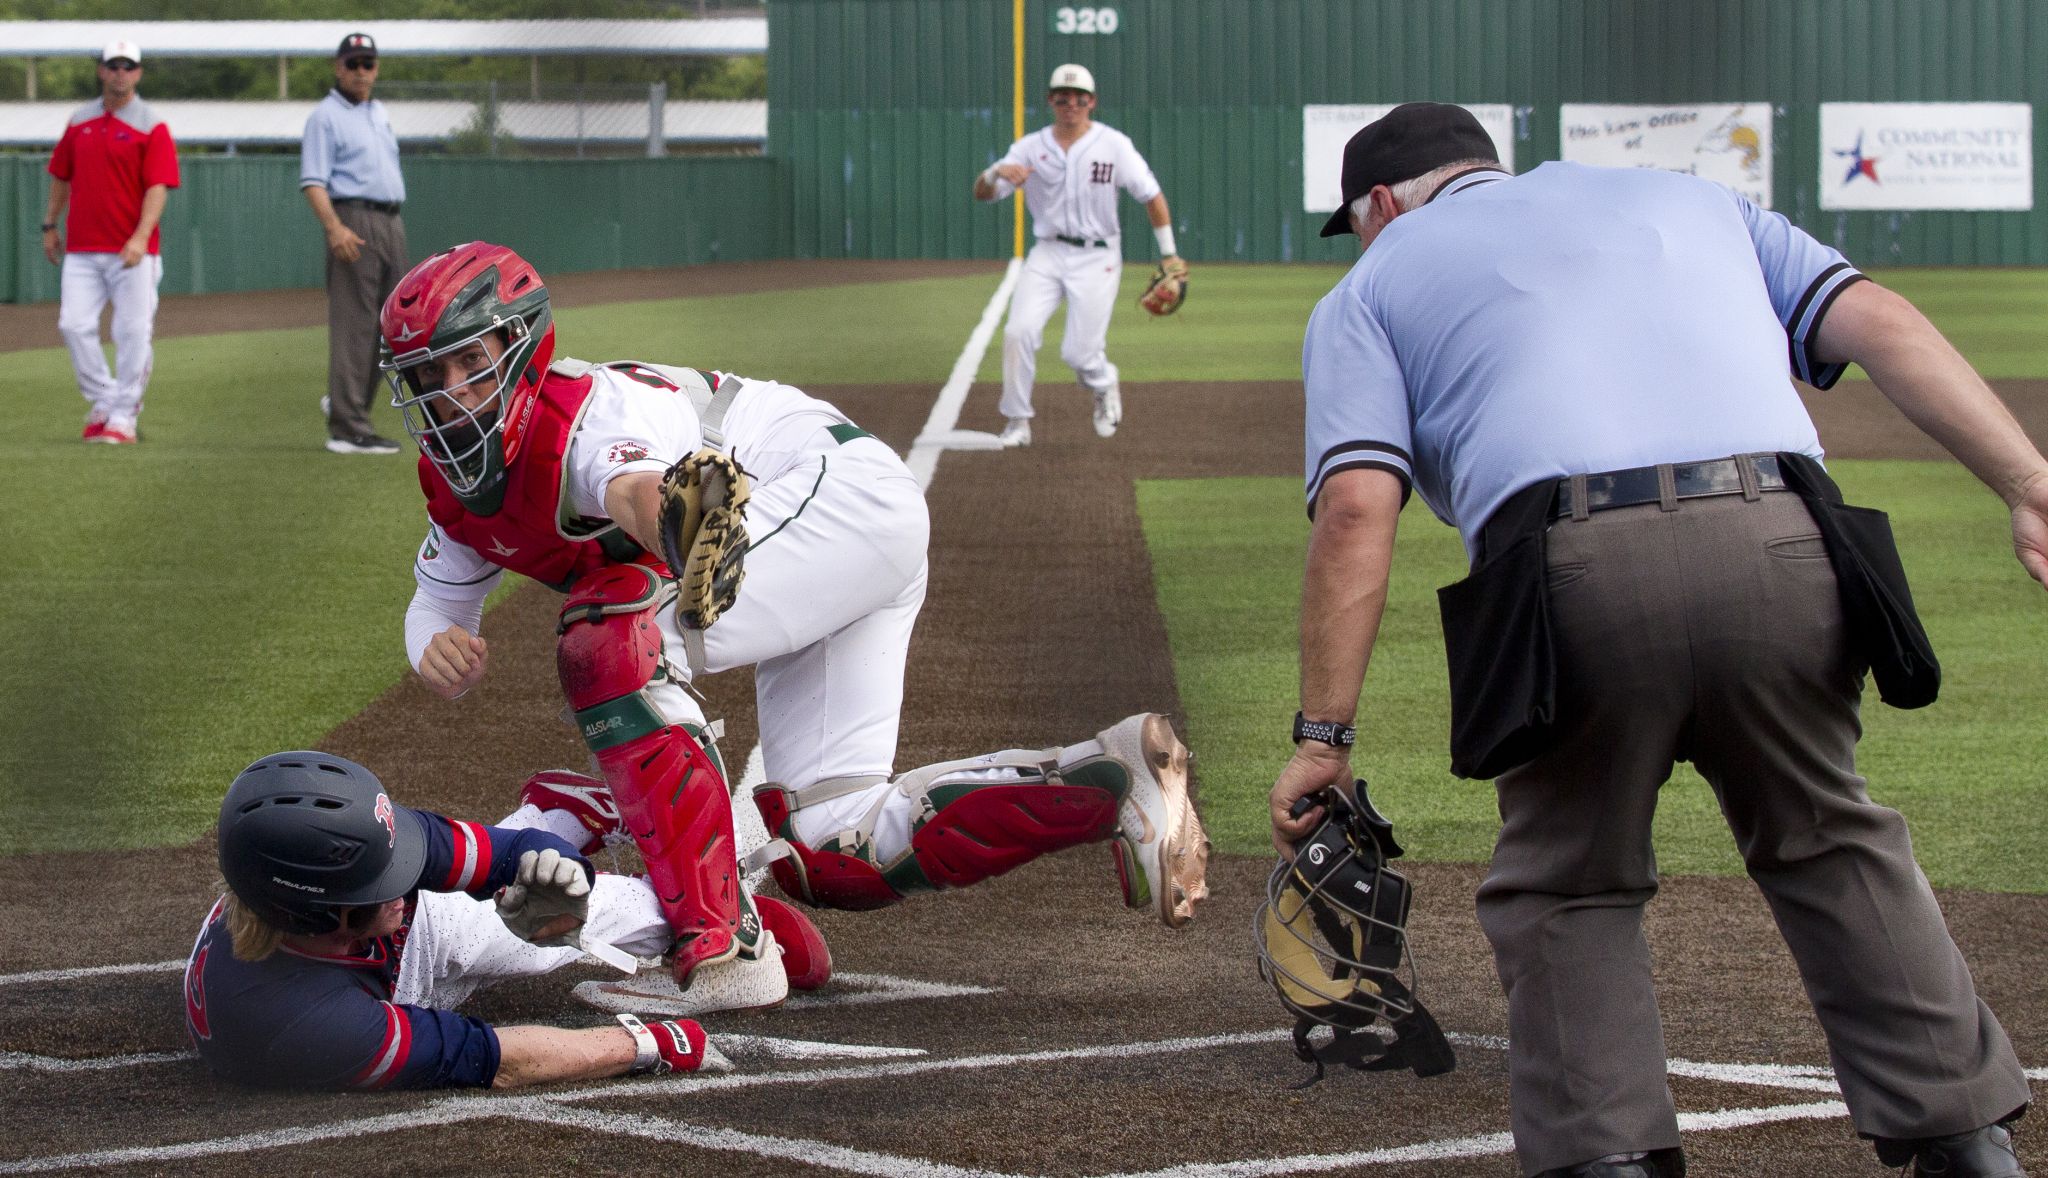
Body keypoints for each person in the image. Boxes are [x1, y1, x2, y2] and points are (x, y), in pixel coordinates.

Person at [1269, 103, 2046, 1178]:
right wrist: (2026, 482)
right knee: (1829, 833)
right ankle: (1965, 1140)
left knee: (1565, 877)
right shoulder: (1694, 198)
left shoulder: (1371, 284)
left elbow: (1357, 508)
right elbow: (1883, 326)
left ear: (1383, 204)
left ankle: (1607, 1157)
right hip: (1787, 537)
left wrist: (1323, 733)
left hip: (1569, 569)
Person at [384, 241, 1211, 1015]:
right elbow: (440, 599)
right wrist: (434, 647)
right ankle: (1112, 782)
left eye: (471, 365)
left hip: (828, 492)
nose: (451, 393)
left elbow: (633, 488)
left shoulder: (586, 418)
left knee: (613, 642)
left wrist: (678, 527)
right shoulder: (453, 488)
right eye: (430, 377)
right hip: (834, 542)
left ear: (523, 352)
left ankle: (722, 949)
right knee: (835, 847)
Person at [183, 752, 789, 1090]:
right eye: (380, 886)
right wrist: (646, 1044)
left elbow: (494, 853)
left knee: (530, 935)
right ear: (311, 911)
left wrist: (561, 878)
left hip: (365, 971)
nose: (403, 885)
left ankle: (715, 914)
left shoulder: (346, 846)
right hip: (357, 993)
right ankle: (564, 812)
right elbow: (499, 1060)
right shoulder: (307, 1024)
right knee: (511, 949)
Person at [972, 63, 1181, 448]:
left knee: (1079, 354)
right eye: (1063, 98)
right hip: (1048, 252)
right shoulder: (1030, 147)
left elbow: (1151, 195)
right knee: (1018, 332)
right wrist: (996, 171)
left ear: (1092, 102)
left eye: (1080, 99)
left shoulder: (1113, 145)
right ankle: (1018, 422)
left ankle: (1104, 384)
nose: (1072, 104)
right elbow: (983, 193)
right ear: (1051, 100)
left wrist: (1169, 255)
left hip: (1097, 256)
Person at [42, 38, 179, 447]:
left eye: (127, 66)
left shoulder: (150, 124)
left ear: (137, 73)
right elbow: (61, 175)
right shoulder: (79, 120)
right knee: (73, 324)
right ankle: (104, 400)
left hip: (134, 252)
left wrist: (140, 237)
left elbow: (158, 187)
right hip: (83, 248)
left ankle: (124, 415)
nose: (120, 73)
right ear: (101, 70)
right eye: (113, 65)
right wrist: (49, 224)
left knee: (132, 331)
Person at [300, 32, 407, 456]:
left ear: (376, 68)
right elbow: (313, 180)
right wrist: (334, 227)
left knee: (395, 324)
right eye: (353, 63)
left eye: (368, 63)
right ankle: (347, 426)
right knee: (356, 326)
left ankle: (348, 405)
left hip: (391, 219)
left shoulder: (378, 111)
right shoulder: (325, 116)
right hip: (353, 219)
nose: (361, 71)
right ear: (338, 67)